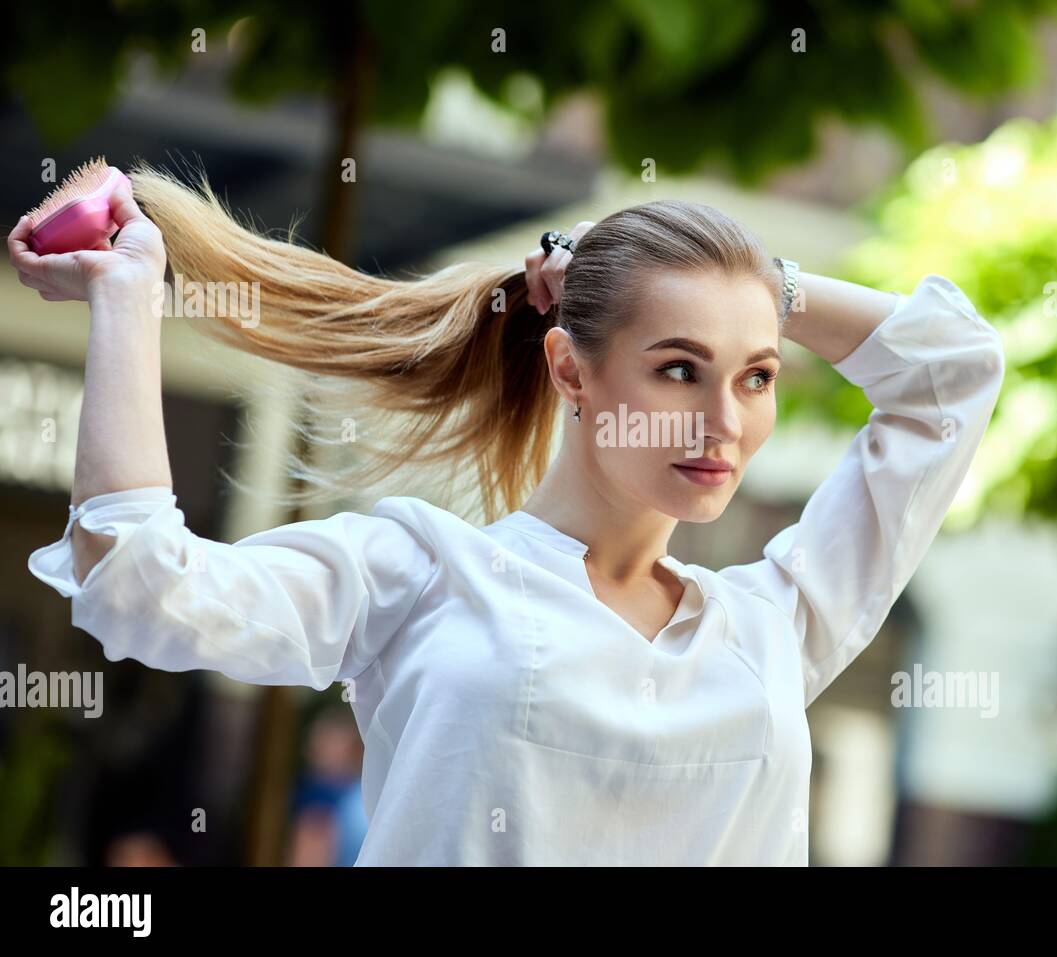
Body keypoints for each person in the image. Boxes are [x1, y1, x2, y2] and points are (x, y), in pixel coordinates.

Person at [8, 165, 1005, 865]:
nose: (722, 421)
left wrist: (761, 290)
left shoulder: (775, 627)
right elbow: (138, 586)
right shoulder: (423, 571)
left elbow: (950, 373)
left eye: (754, 376)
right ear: (572, 368)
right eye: (677, 368)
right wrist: (128, 299)